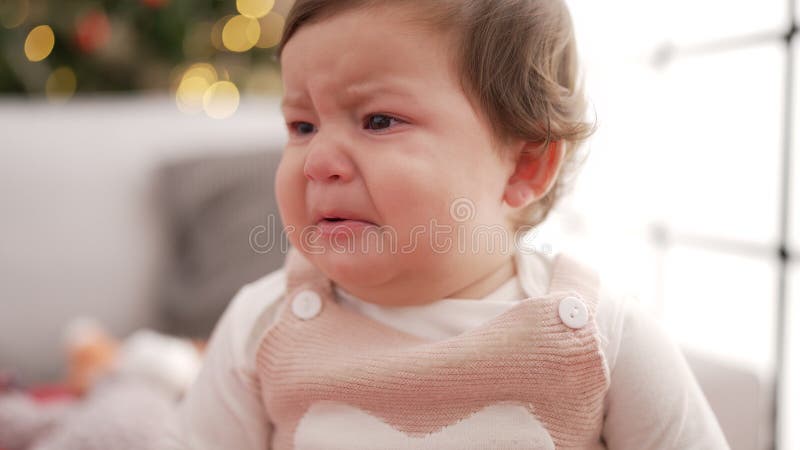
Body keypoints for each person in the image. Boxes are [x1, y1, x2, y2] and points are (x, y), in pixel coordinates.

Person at [167, 0, 731, 448]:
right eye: (302, 125)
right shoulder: (261, 327)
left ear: (523, 165)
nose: (316, 162)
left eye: (378, 120)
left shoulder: (601, 339)